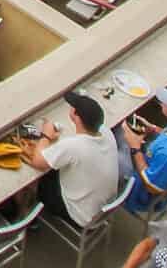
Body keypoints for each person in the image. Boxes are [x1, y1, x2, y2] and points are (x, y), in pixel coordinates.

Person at [28, 91, 117, 228]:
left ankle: (27, 216)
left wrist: (45, 136)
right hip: (101, 209)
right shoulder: (107, 132)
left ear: (76, 117)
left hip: (80, 215)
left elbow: (37, 161)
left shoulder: (74, 146)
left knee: (34, 176)